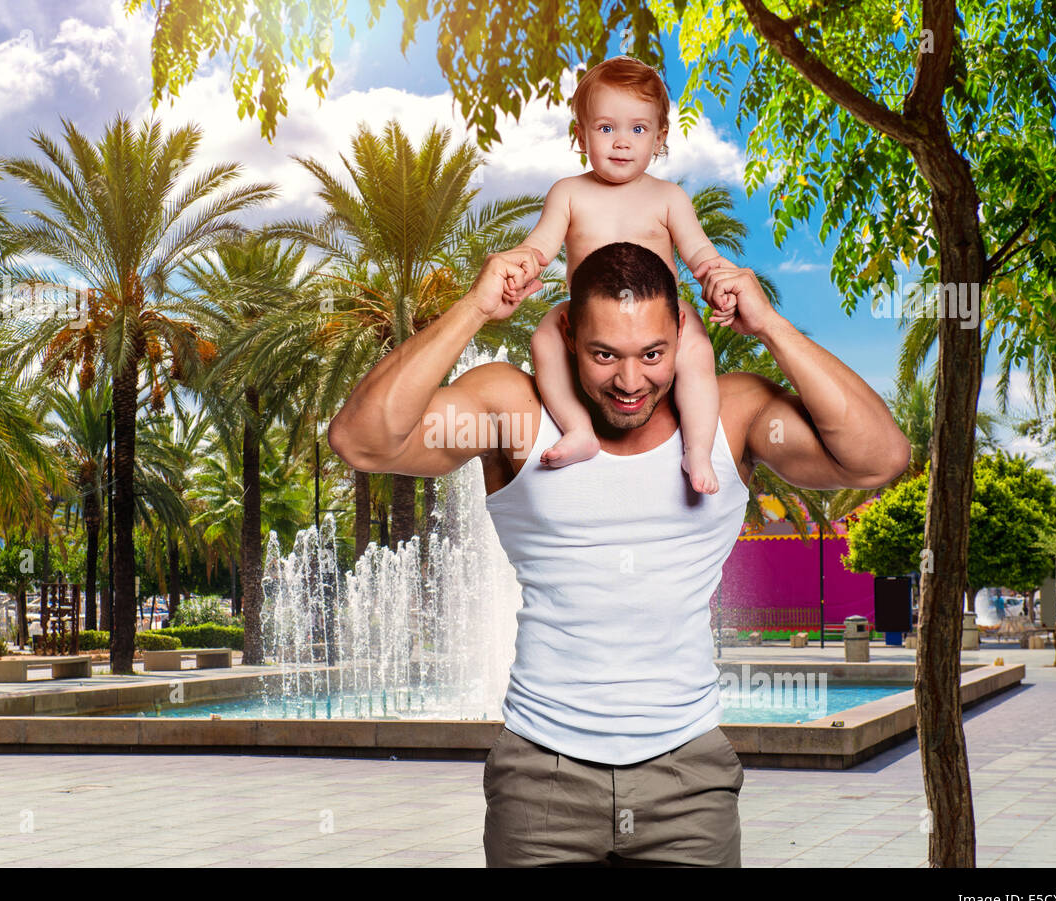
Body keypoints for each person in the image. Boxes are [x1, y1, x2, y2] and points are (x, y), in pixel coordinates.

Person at [328, 241, 910, 867]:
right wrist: (474, 308)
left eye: (652, 354)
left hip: (689, 780)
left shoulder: (732, 415)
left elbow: (879, 458)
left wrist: (769, 326)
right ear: (568, 335)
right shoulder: (513, 410)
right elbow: (362, 441)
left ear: (682, 332)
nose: (631, 383)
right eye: (605, 354)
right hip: (540, 782)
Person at [503, 55, 738, 494]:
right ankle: (579, 430)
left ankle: (699, 449)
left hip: (659, 316)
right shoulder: (569, 192)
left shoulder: (668, 197)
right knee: (544, 338)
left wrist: (718, 280)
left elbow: (699, 252)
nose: (622, 142)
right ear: (581, 136)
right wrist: (521, 264)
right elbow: (541, 244)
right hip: (589, 317)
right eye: (606, 128)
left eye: (638, 129)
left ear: (660, 138)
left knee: (698, 353)